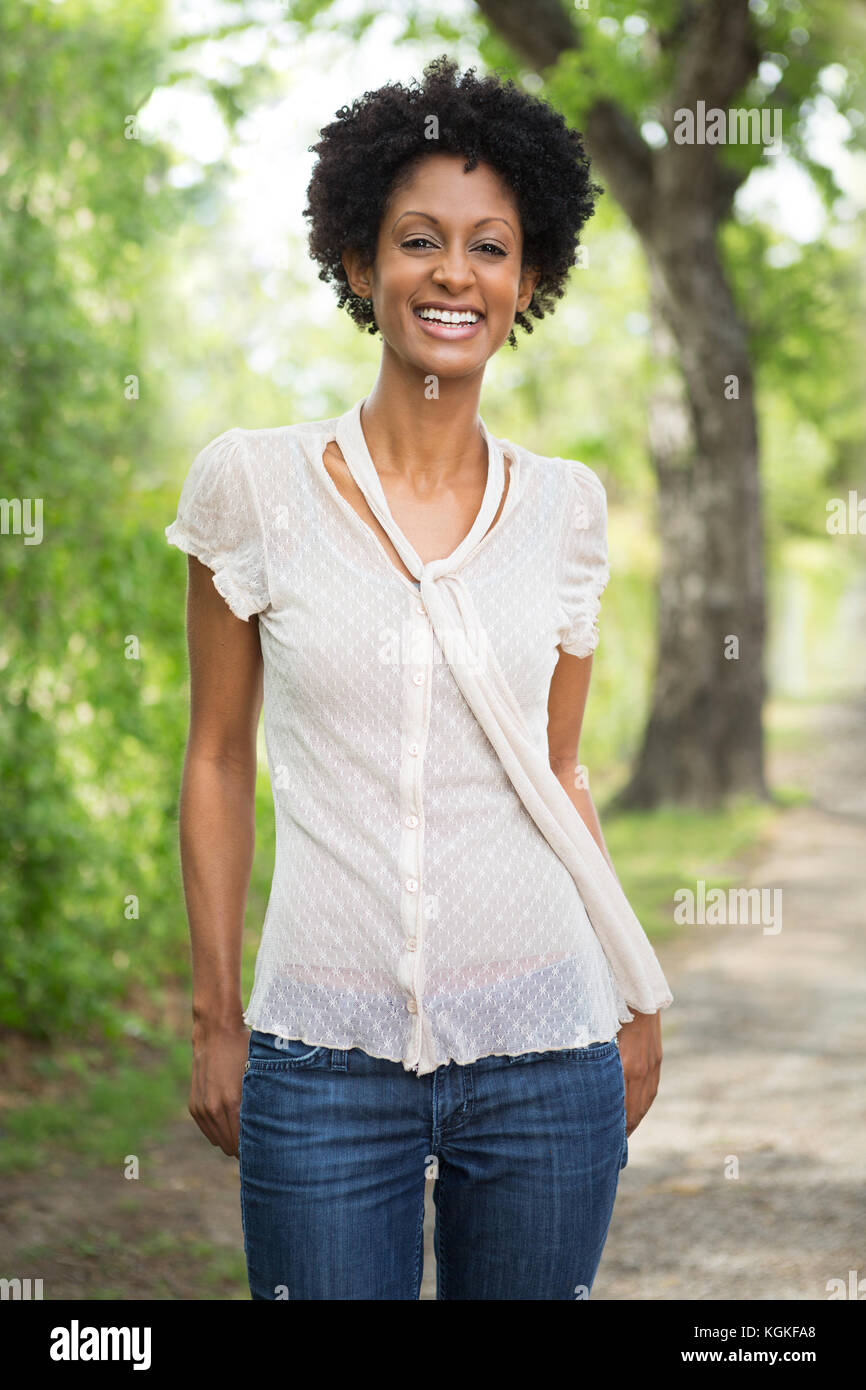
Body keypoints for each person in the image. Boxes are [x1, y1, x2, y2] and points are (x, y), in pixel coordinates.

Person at [165, 55, 672, 1301]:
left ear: (527, 281)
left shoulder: (566, 508)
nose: (454, 273)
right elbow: (217, 757)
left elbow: (557, 771)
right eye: (418, 241)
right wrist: (218, 1015)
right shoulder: (253, 487)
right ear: (357, 262)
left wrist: (631, 994)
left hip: (546, 1041)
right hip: (320, 1062)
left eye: (489, 247)